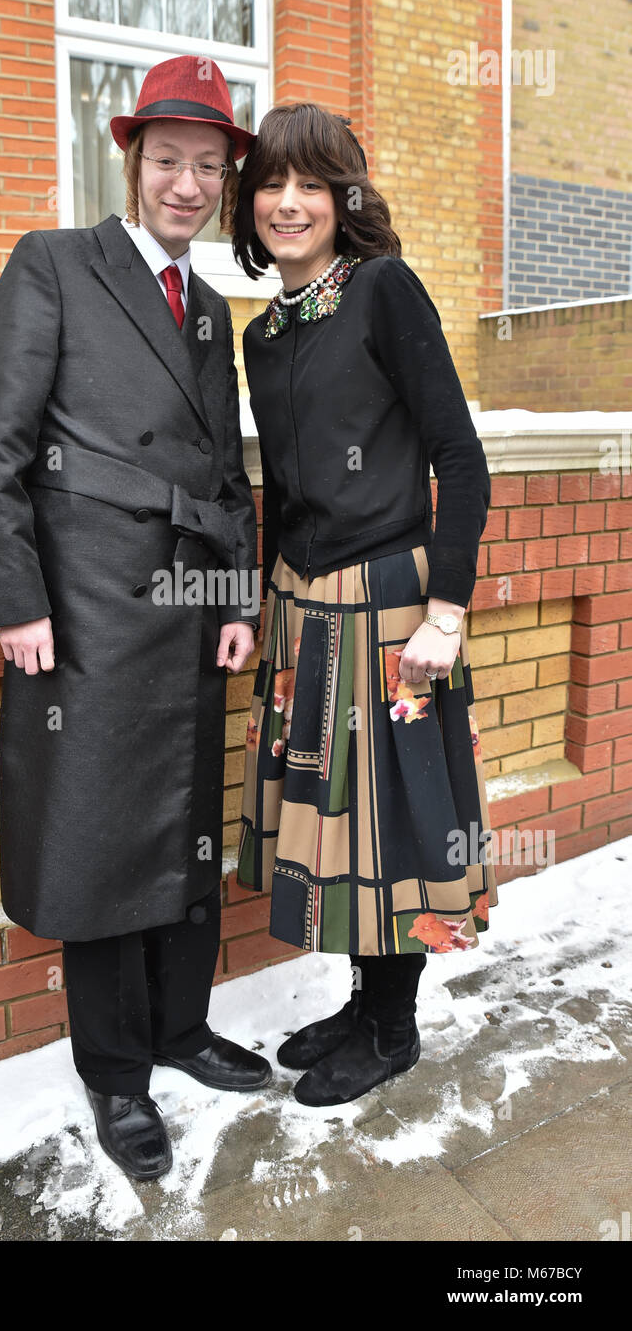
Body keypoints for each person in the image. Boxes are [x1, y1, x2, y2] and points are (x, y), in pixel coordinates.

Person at [0, 55, 271, 1183]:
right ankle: (116, 1071)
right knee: (99, 833)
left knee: (183, 822)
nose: (187, 185)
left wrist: (239, 595)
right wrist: (18, 599)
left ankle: (182, 1027)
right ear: (131, 160)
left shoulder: (213, 312)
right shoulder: (53, 265)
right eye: (168, 161)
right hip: (85, 612)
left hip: (191, 609)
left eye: (207, 167)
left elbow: (228, 473)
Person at [232, 102, 499, 1107]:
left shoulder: (384, 291)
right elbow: (286, 493)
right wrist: (265, 601)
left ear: (346, 199)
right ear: (249, 201)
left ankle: (393, 1030)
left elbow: (458, 457)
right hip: (304, 611)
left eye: (313, 184)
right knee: (339, 827)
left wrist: (449, 606)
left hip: (392, 611)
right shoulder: (267, 332)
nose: (289, 202)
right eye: (271, 183)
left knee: (391, 828)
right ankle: (361, 997)